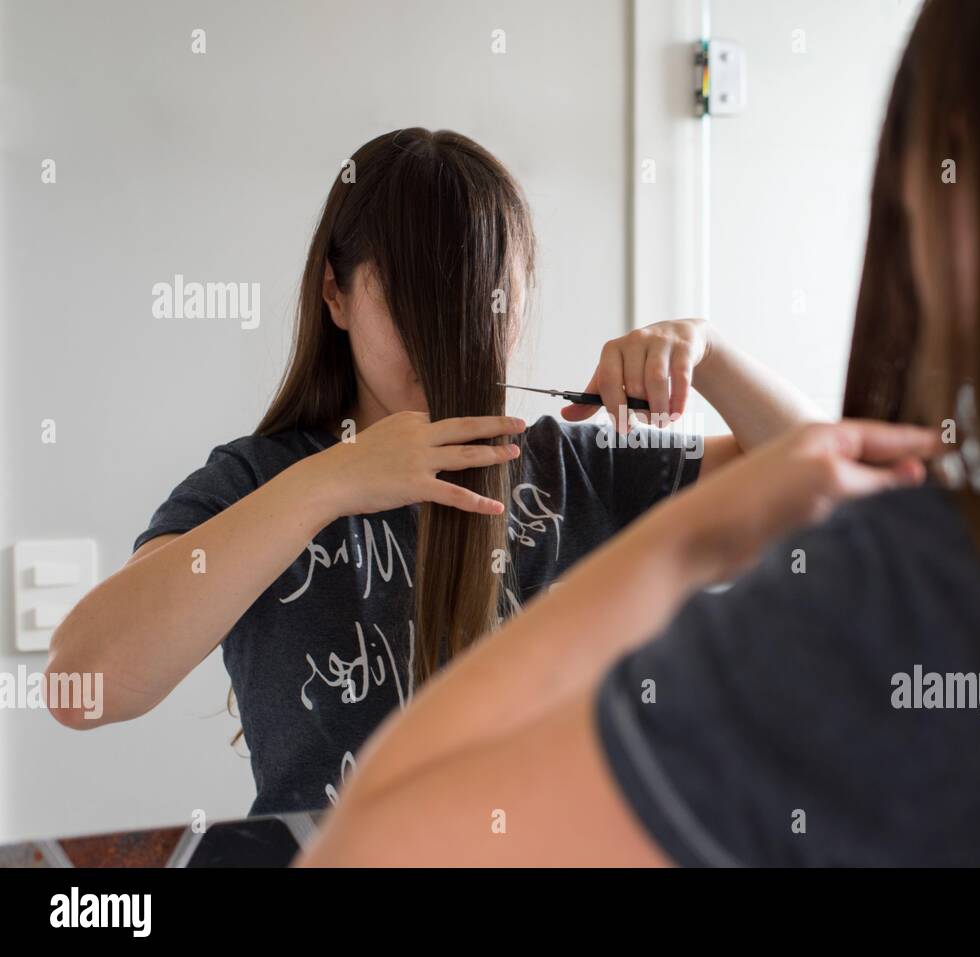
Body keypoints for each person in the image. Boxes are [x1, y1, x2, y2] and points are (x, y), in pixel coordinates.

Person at [299, 0, 980, 866]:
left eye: (482, 293)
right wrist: (331, 483)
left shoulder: (906, 592)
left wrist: (698, 479)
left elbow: (368, 850)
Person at [45, 128, 822, 816]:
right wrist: (333, 481)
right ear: (334, 294)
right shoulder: (261, 480)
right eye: (413, 301)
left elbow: (842, 502)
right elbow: (84, 686)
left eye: (482, 302)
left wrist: (711, 357)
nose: (448, 336)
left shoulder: (574, 470)